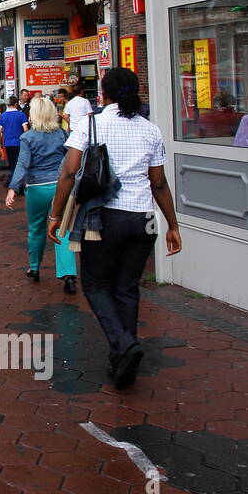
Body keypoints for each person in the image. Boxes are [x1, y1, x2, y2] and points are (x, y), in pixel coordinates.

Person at [47, 67, 182, 391]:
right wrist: (172, 226)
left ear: (103, 94)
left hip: (104, 217)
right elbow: (159, 183)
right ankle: (122, 360)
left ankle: (124, 344)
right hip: (143, 220)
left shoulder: (91, 124)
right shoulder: (150, 129)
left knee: (95, 285)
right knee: (127, 288)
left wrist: (55, 215)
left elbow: (69, 172)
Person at [5, 96, 77, 293]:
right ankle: (68, 274)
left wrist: (13, 188)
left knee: (36, 229)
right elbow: (70, 159)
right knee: (63, 229)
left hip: (36, 187)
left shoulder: (28, 138)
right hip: (60, 185)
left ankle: (35, 267)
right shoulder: (61, 134)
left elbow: (23, 164)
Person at [0, 97, 28, 178]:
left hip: (7, 143)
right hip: (19, 143)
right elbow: (26, 129)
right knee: (20, 163)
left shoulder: (3, 115)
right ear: (16, 104)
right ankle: (18, 182)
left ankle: (13, 181)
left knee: (12, 163)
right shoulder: (21, 115)